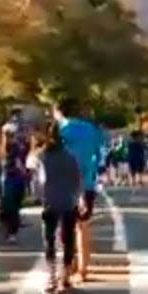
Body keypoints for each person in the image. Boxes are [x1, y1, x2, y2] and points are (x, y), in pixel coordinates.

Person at [55, 99, 104, 283]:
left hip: (65, 184)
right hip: (87, 183)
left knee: (65, 227)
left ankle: (69, 266)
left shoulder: (61, 131)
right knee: (83, 226)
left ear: (59, 112)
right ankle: (83, 269)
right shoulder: (91, 129)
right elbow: (98, 155)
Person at [34, 121, 83, 294]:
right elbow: (77, 180)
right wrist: (76, 197)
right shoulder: (70, 156)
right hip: (68, 201)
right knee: (68, 238)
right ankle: (67, 275)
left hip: (49, 201)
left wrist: (39, 197)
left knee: (49, 239)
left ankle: (52, 276)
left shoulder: (41, 156)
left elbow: (38, 182)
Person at [0, 109, 30, 243]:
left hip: (11, 178)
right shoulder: (17, 145)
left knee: (10, 206)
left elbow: (15, 161)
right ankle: (11, 232)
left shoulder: (15, 145)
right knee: (12, 207)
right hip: (13, 178)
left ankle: (10, 231)